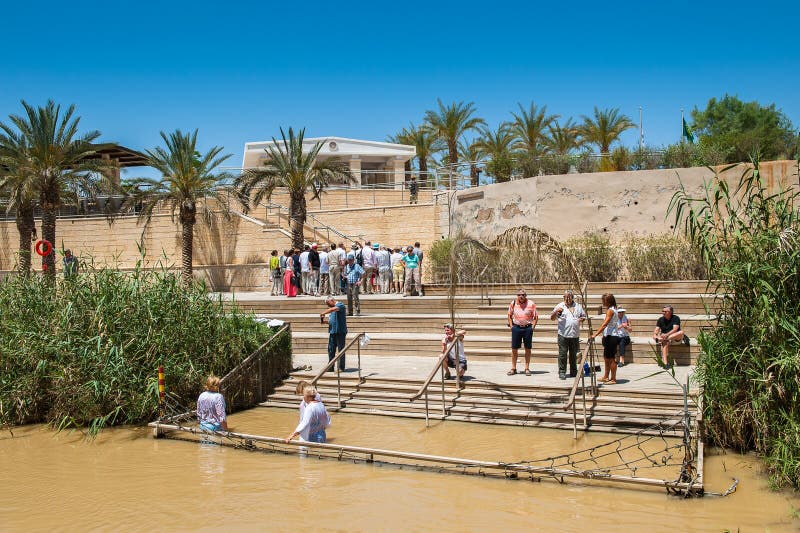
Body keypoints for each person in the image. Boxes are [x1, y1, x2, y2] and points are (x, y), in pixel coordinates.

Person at [549, 290, 587, 380]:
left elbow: (583, 316)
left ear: (572, 297)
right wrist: (556, 312)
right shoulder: (560, 306)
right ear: (563, 297)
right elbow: (552, 318)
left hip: (574, 334)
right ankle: (562, 371)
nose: (567, 299)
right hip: (563, 334)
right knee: (563, 354)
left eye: (569, 297)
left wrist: (581, 319)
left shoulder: (578, 306)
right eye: (565, 297)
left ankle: (573, 371)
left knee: (573, 354)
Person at [507, 289, 538, 376]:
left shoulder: (531, 304)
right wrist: (511, 326)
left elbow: (536, 316)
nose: (521, 296)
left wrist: (532, 327)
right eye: (519, 295)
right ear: (517, 296)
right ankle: (513, 368)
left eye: (523, 295)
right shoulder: (513, 303)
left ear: (526, 296)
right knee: (514, 349)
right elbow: (509, 315)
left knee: (527, 349)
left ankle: (527, 368)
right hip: (516, 328)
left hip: (527, 328)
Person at [592, 293, 620, 384]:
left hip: (611, 336)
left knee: (611, 358)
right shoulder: (612, 309)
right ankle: (606, 376)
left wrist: (595, 334)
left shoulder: (610, 311)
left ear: (608, 301)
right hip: (608, 336)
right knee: (606, 358)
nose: (603, 302)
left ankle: (613, 379)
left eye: (604, 300)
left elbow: (605, 324)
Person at [320, 296, 348, 371]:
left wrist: (323, 312)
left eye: (328, 303)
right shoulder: (331, 310)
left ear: (332, 300)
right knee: (331, 350)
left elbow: (334, 309)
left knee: (341, 350)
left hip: (340, 332)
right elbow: (331, 321)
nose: (328, 305)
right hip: (332, 332)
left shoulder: (340, 305)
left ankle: (341, 367)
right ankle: (330, 367)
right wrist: (324, 321)